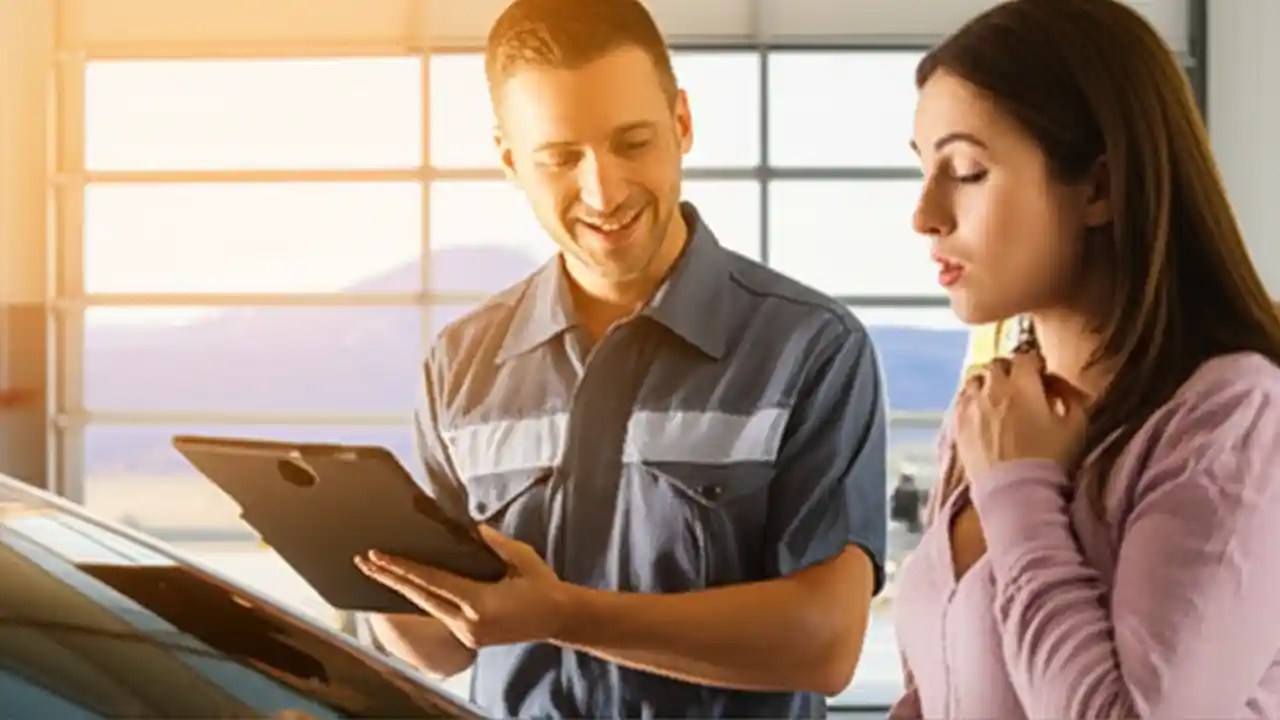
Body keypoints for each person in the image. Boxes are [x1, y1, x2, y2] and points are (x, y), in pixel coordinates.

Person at [354, 0, 888, 716]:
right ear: (511, 160)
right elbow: (446, 648)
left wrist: (561, 615)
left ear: (682, 124)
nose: (603, 192)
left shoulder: (811, 348)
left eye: (632, 143)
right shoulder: (460, 364)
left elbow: (824, 645)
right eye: (560, 158)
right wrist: (361, 572)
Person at [893, 0, 1280, 718]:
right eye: (923, 169)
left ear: (1099, 188)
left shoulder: (1234, 420)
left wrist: (1020, 490)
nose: (925, 214)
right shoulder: (988, 412)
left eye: (967, 170)